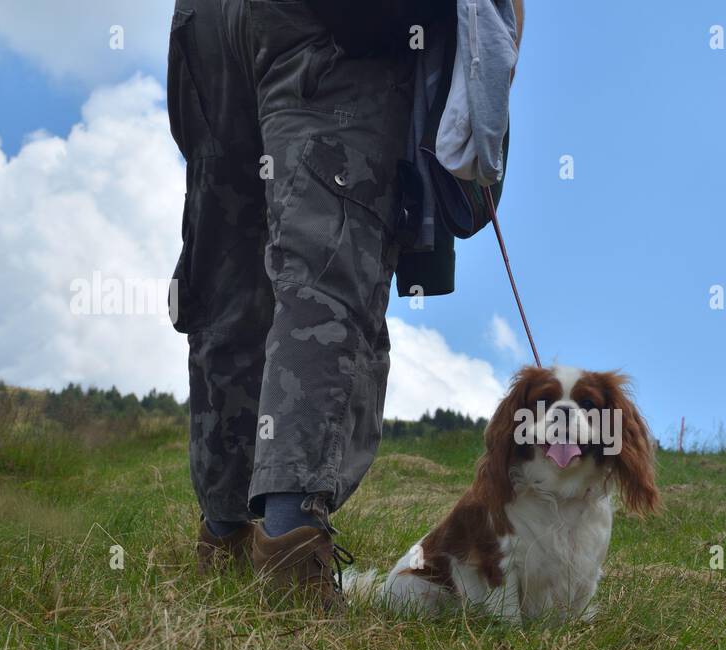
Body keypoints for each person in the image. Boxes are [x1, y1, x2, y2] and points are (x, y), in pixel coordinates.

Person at [166, 0, 522, 611]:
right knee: (323, 271)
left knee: (229, 264)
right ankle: (288, 550)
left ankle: (222, 539)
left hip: (204, 22)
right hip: (338, 25)